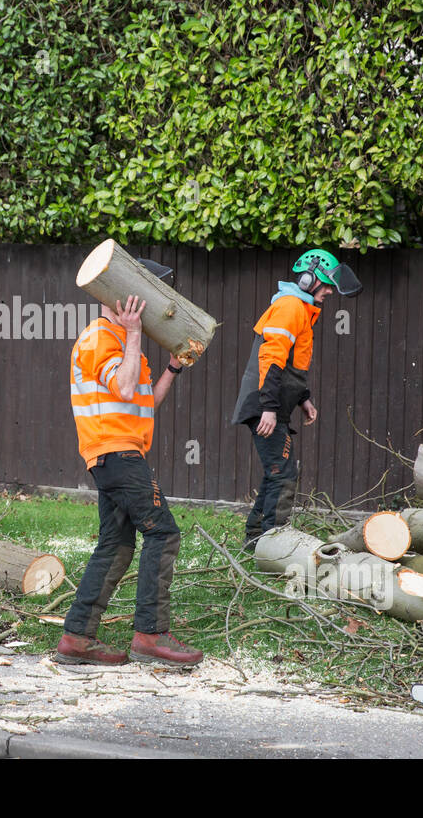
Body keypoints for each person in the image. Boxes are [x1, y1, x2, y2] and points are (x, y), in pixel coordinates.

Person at [55, 260, 203, 667]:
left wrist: (174, 366)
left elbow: (142, 402)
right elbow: (122, 384)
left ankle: (77, 637)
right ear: (124, 299)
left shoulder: (122, 342)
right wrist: (135, 332)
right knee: (163, 533)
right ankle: (151, 636)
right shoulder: (103, 338)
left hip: (118, 453)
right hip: (116, 452)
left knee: (116, 544)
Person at [230, 250, 362, 551]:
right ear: (307, 279)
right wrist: (269, 408)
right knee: (284, 472)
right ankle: (274, 544)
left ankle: (256, 540)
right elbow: (272, 359)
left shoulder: (301, 310)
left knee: (278, 470)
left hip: (274, 404)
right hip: (265, 404)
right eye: (326, 283)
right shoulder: (290, 307)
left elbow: (293, 363)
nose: (329, 290)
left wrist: (303, 398)